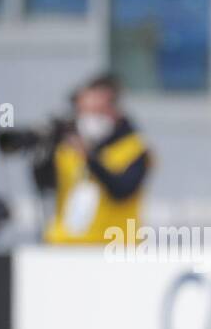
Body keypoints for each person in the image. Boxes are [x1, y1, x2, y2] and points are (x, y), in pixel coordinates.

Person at [39, 73, 151, 244]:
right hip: (66, 244)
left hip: (115, 246)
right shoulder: (67, 149)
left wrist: (90, 159)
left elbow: (122, 190)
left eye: (97, 111)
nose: (88, 118)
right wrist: (45, 147)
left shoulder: (134, 149)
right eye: (83, 111)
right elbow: (46, 185)